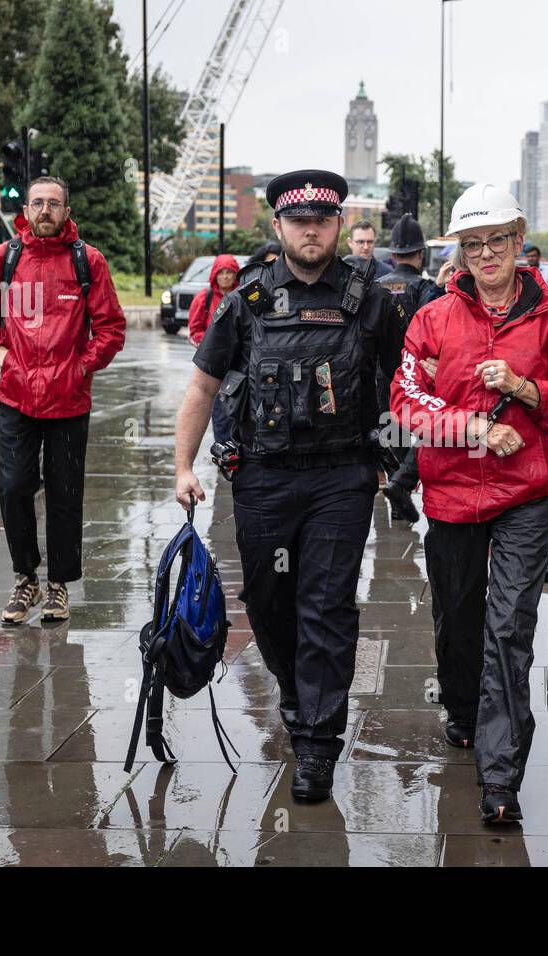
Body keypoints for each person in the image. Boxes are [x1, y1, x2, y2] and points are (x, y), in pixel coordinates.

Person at [173, 169, 405, 802]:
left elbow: (406, 380)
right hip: (264, 481)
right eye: (298, 221)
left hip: (341, 479)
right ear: (277, 227)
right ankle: (297, 696)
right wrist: (183, 466)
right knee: (270, 605)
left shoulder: (372, 300)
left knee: (325, 607)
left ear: (337, 226)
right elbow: (202, 387)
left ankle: (317, 742)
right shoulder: (245, 302)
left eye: (322, 221)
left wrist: (398, 459)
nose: (311, 230)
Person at [391, 183, 548, 823]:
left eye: (497, 241)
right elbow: (406, 404)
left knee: (509, 628)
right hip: (451, 493)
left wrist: (526, 390)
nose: (485, 254)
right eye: (472, 244)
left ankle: (500, 777)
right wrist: (474, 428)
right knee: (459, 621)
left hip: (527, 497)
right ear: (459, 249)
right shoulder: (433, 318)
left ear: (519, 238)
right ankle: (461, 709)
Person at [0, 176, 126, 625]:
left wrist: (80, 367)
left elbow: (111, 328)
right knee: (14, 485)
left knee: (64, 494)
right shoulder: (5, 258)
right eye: (37, 202)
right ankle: (25, 578)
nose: (44, 210)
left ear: (66, 211)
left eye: (53, 204)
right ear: (28, 209)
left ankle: (58, 586)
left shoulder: (87, 261)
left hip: (69, 401)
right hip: (17, 395)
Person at [375, 214, 440, 524]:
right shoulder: (425, 288)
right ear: (420, 254)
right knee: (423, 437)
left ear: (392, 255)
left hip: (379, 377)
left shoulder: (375, 287)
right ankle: (402, 492)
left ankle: (396, 490)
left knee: (390, 438)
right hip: (414, 375)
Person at [187, 253, 241, 450]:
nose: (226, 277)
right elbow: (194, 331)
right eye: (222, 273)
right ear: (215, 275)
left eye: (230, 272)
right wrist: (214, 349)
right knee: (220, 411)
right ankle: (223, 451)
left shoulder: (243, 295)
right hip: (215, 367)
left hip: (239, 365)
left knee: (239, 409)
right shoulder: (204, 298)